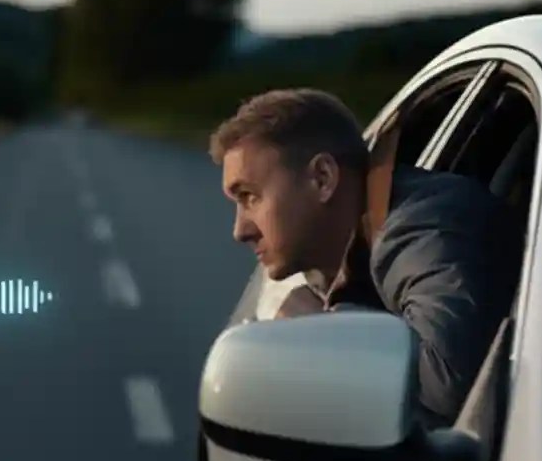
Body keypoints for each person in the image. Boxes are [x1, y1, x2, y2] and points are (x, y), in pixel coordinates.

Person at [209, 88, 521, 430]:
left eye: (250, 196)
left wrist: (318, 333)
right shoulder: (350, 247)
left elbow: (448, 389)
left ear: (322, 178)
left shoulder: (418, 226)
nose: (239, 231)